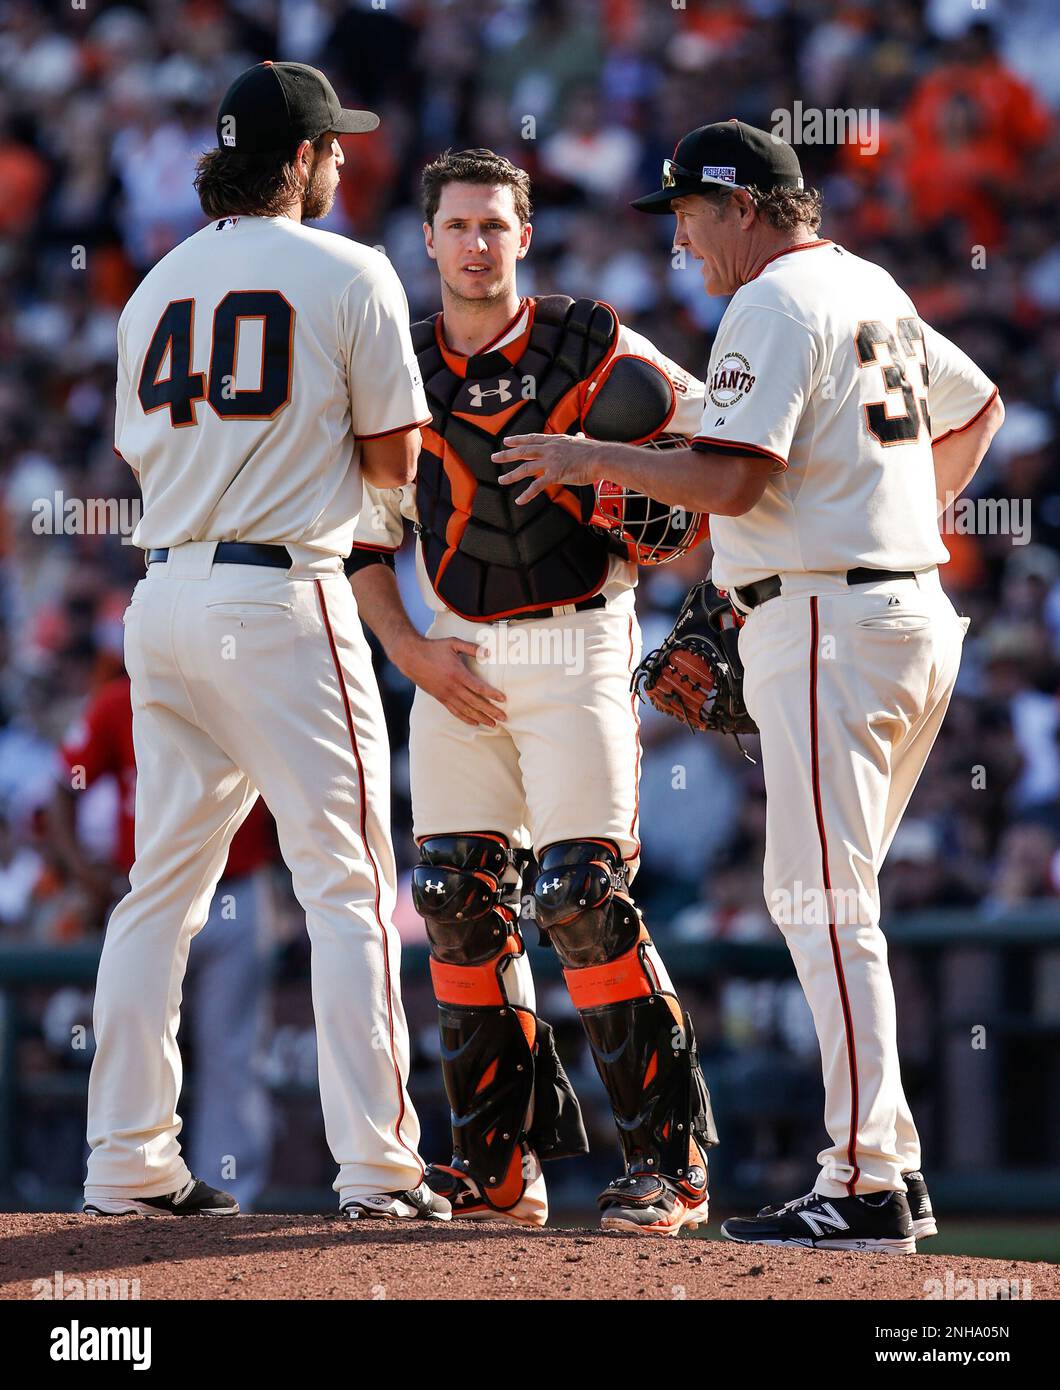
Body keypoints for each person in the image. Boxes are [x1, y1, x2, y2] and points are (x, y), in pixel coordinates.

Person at [494, 120, 1003, 1253]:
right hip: (907, 615)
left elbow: (728, 480)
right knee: (838, 898)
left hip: (826, 622)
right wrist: (894, 521)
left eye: (690, 213)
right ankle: (889, 1166)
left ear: (747, 207)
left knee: (821, 901)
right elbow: (979, 411)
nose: (681, 240)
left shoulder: (771, 300)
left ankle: (865, 1181)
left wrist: (589, 457)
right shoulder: (868, 283)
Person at [83, 61, 448, 1223]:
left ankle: (126, 1161)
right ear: (299, 158)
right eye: (331, 145)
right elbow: (396, 460)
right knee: (349, 885)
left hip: (163, 596)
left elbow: (140, 450)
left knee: (158, 892)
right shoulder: (350, 268)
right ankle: (380, 1167)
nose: (341, 161)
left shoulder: (154, 285)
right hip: (282, 594)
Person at [347, 148, 719, 1237]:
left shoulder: (590, 341)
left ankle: (670, 1167)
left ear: (524, 233)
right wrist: (409, 651)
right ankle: (497, 1173)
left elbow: (720, 453)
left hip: (580, 639)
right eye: (458, 225)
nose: (477, 244)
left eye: (495, 225)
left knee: (579, 894)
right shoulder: (397, 363)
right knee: (453, 897)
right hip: (452, 653)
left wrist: (603, 465)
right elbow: (360, 538)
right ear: (427, 238)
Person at [52, 672, 276, 1211]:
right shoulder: (120, 698)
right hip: (152, 892)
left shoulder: (247, 680)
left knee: (232, 1058)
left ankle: (233, 1201)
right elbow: (64, 786)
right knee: (132, 1039)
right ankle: (124, 1180)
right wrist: (83, 873)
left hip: (237, 889)